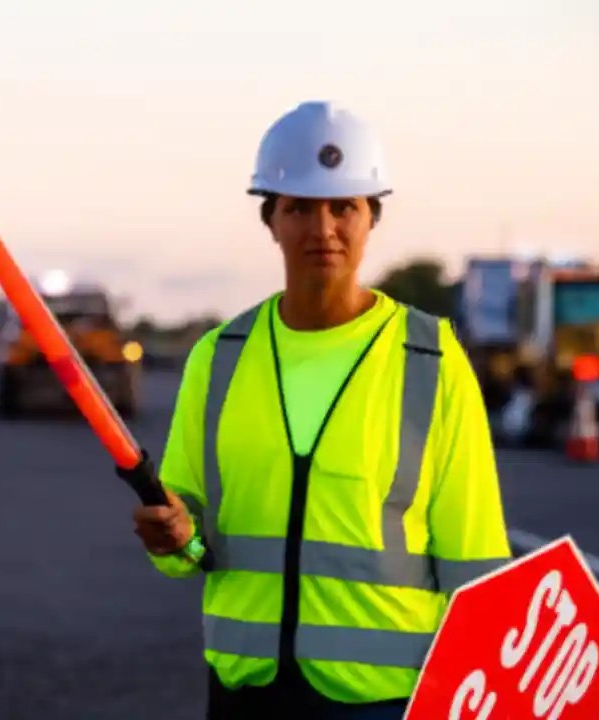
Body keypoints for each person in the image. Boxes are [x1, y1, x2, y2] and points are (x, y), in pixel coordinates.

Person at [132, 101, 512, 719]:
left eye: (344, 207)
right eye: (299, 208)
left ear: (372, 218)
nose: (323, 227)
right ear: (271, 220)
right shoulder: (218, 357)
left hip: (386, 702)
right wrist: (174, 540)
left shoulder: (432, 360)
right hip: (244, 695)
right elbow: (192, 545)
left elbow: (477, 559)